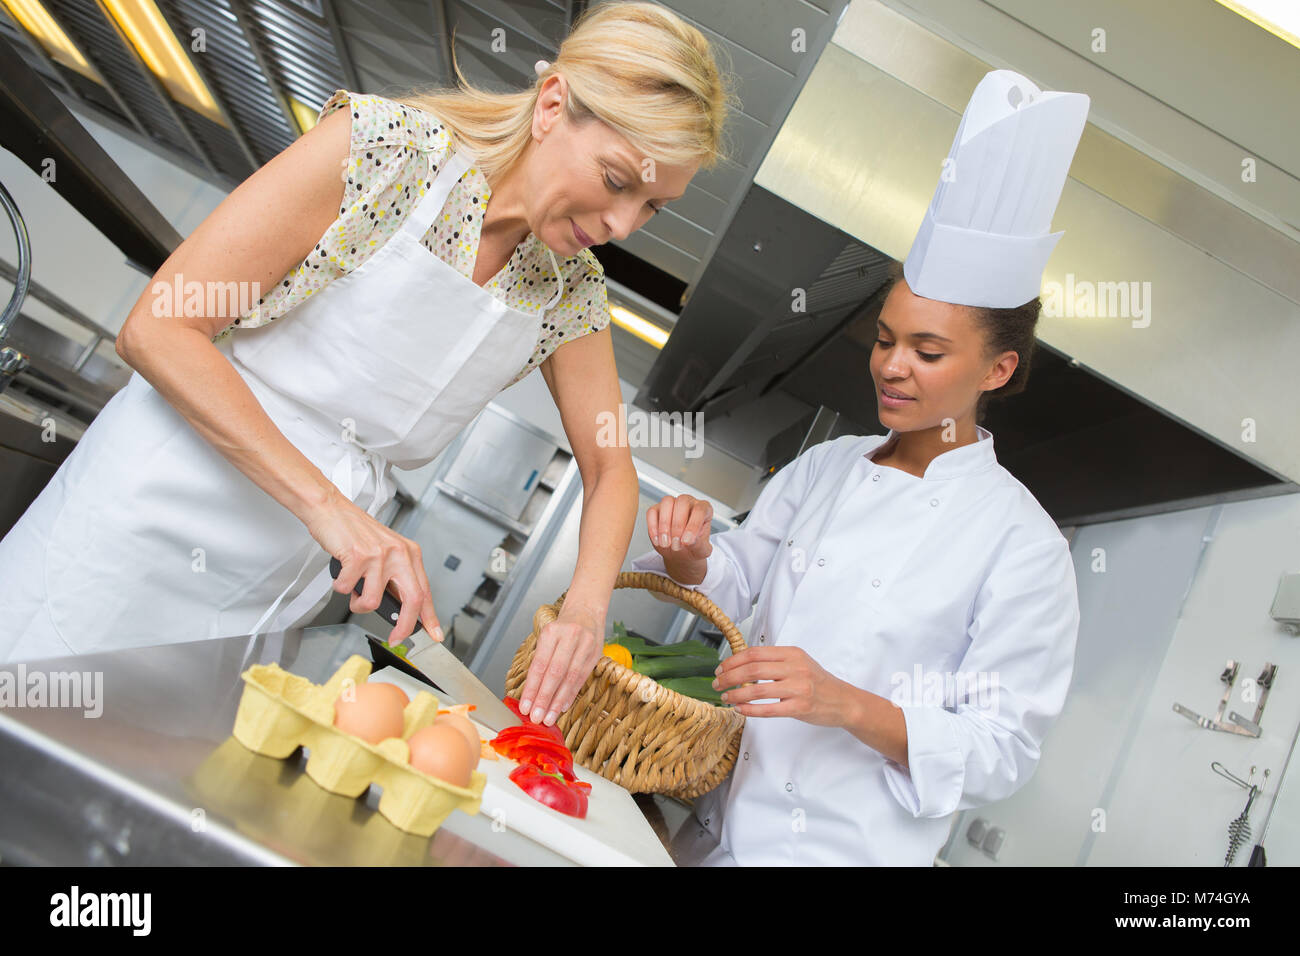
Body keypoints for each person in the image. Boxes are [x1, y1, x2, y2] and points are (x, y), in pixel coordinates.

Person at [0, 2, 731, 728]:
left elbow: (610, 469)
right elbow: (160, 327)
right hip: (153, 511)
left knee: (146, 777)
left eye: (652, 208)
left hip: (277, 580)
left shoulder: (568, 293)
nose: (620, 227)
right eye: (615, 181)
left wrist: (584, 611)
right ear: (550, 104)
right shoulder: (389, 151)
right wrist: (334, 512)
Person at [631, 70, 1090, 864]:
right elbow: (738, 586)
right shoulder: (828, 467)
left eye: (929, 351)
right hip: (706, 829)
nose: (893, 367)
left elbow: (1002, 748)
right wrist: (692, 555)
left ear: (998, 371)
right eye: (885, 339)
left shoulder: (1025, 547)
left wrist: (844, 703)